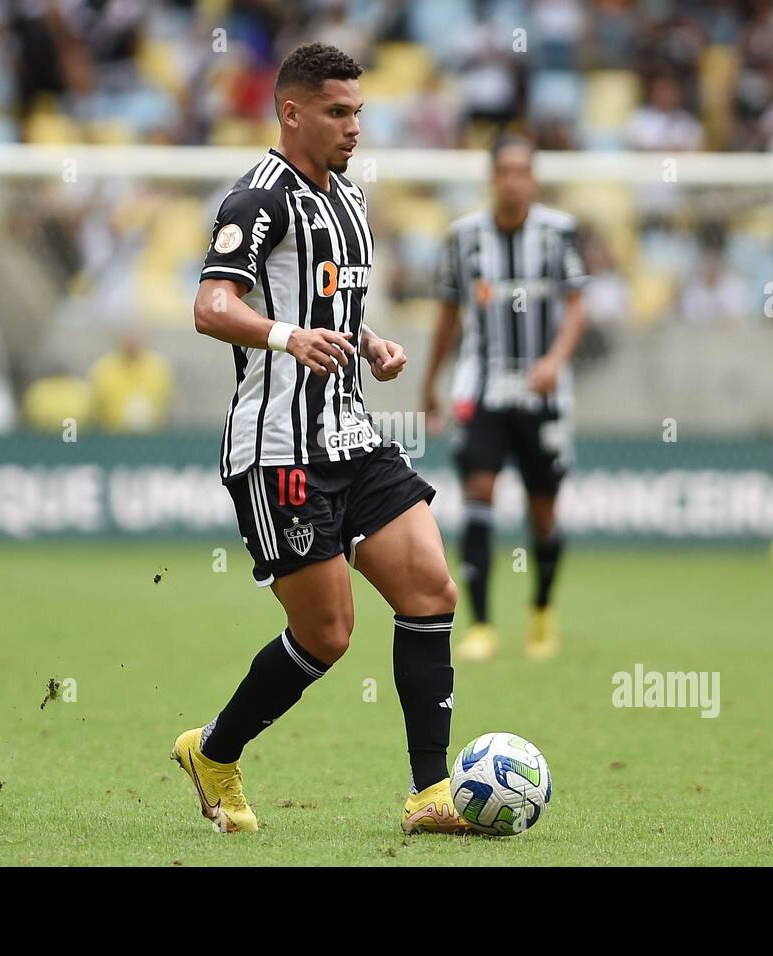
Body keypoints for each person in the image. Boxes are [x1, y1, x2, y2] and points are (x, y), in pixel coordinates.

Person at [171, 43, 465, 835]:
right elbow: (211, 306)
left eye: (359, 112)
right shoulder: (255, 199)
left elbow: (332, 302)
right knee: (328, 635)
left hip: (352, 434)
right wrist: (286, 337)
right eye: (338, 112)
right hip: (278, 450)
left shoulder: (348, 201)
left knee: (432, 589)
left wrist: (370, 343)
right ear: (292, 111)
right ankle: (214, 751)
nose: (353, 127)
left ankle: (430, 794)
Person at [420, 133, 589, 662]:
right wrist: (430, 384)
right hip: (481, 386)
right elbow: (447, 314)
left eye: (523, 170)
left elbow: (579, 304)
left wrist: (555, 360)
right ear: (492, 178)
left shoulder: (559, 233)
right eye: (504, 170)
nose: (513, 179)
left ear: (533, 178)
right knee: (478, 494)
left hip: (543, 392)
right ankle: (483, 624)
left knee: (543, 512)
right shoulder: (463, 238)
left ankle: (540, 608)